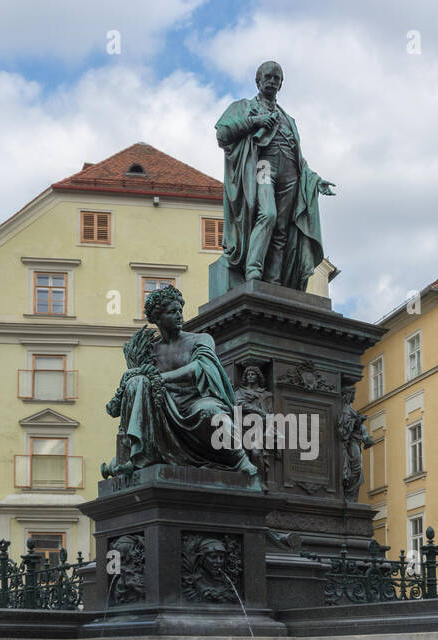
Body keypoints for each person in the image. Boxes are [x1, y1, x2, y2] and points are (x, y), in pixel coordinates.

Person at [103, 285, 257, 479]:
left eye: (180, 311)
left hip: (195, 400)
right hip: (164, 404)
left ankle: (240, 459)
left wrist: (161, 378)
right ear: (158, 318)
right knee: (137, 382)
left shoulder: (200, 339)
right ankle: (135, 455)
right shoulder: (150, 350)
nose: (179, 316)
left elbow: (200, 368)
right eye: (172, 312)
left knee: (211, 412)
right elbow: (141, 382)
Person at [215, 60, 335, 289]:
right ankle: (253, 269)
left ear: (281, 84)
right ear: (258, 80)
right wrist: (255, 121)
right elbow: (223, 134)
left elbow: (298, 156)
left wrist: (315, 179)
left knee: (282, 228)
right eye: (268, 77)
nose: (272, 81)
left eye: (276, 78)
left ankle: (273, 280)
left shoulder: (289, 120)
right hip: (264, 167)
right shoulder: (244, 107)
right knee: (267, 213)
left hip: (290, 173)